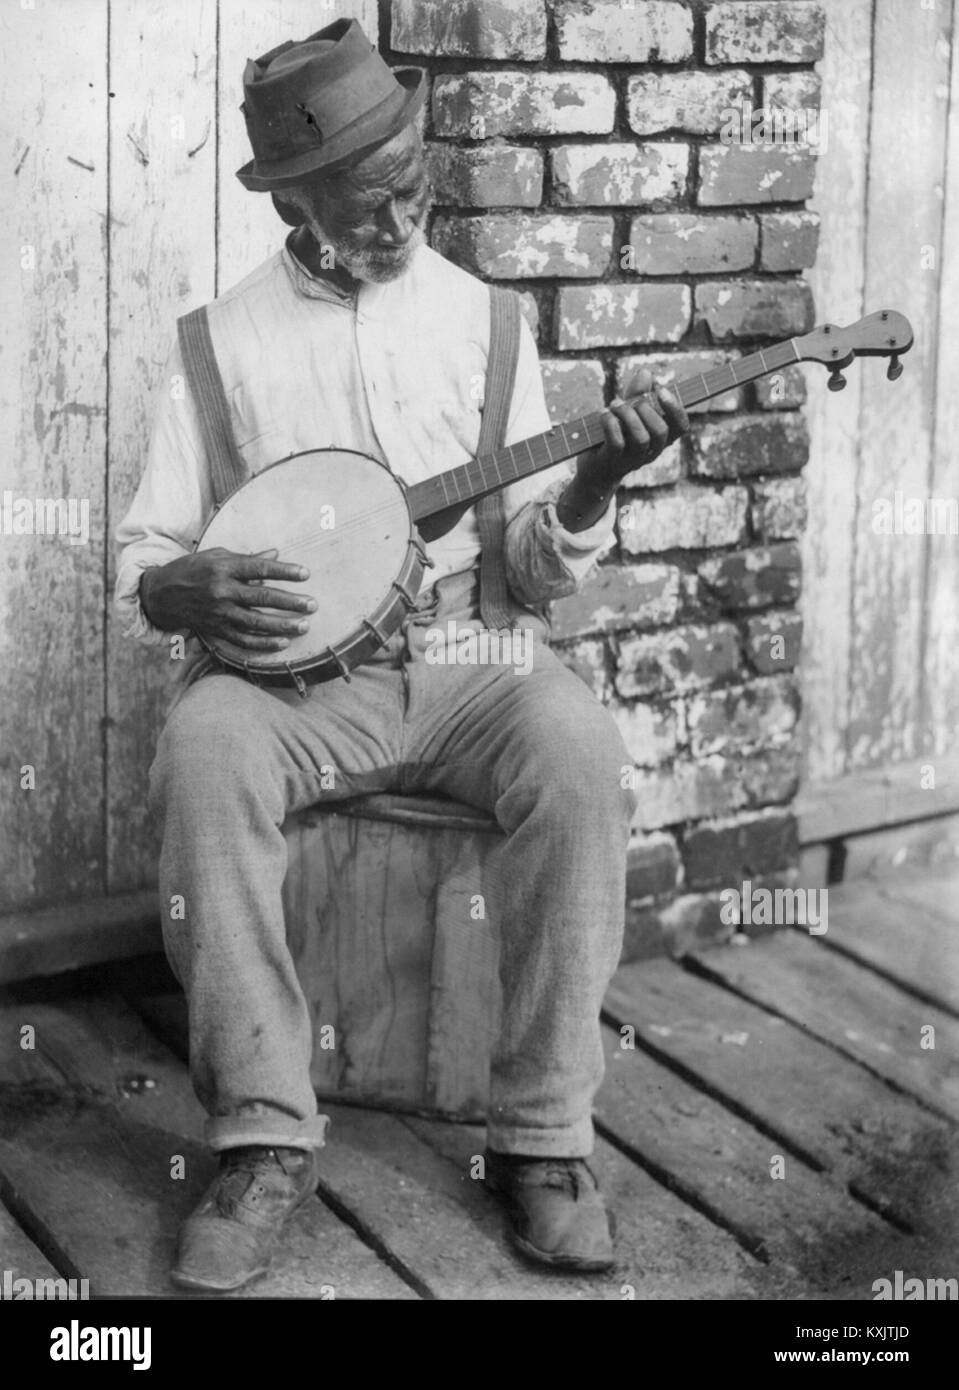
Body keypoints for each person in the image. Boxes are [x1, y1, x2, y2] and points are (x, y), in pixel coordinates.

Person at [115, 18, 688, 1293]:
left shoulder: (487, 326)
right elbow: (139, 559)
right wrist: (176, 585)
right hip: (293, 688)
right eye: (365, 204)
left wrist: (589, 486)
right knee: (201, 754)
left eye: (413, 184)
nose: (400, 220)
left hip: (471, 655)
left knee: (580, 750)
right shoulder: (219, 343)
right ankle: (262, 1137)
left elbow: (535, 571)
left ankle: (541, 1140)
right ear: (293, 199)